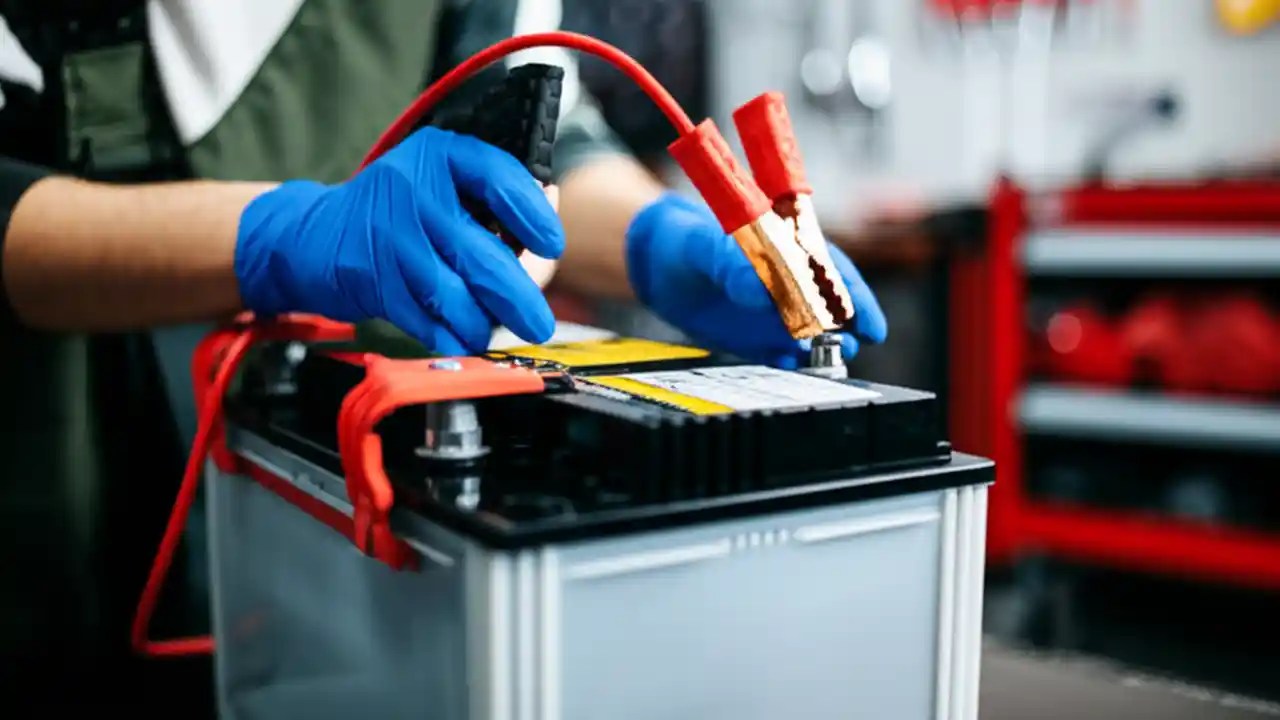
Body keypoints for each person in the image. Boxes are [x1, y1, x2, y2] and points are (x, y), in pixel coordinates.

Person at [0, 0, 886, 699]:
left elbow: (536, 145)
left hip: (334, 560)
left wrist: (660, 241)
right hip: (49, 511)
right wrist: (280, 235)